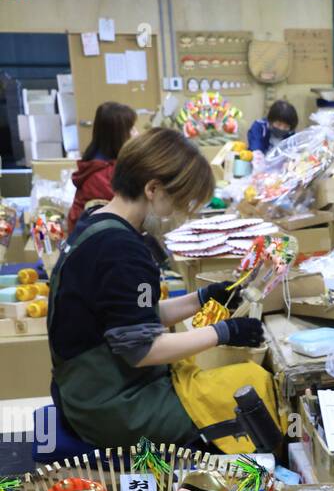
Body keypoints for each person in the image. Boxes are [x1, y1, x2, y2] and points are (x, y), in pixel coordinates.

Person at [49, 128, 269, 451]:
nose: (180, 217)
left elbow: (133, 318)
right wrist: (224, 331)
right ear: (153, 189)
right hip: (110, 405)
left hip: (83, 390)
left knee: (220, 381)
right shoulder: (121, 250)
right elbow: (142, 350)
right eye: (179, 204)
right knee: (249, 398)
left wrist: (203, 298)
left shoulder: (98, 221)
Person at [67, 102, 137, 233]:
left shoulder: (99, 159)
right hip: (90, 243)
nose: (137, 134)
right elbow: (130, 210)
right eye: (132, 129)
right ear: (118, 135)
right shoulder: (103, 176)